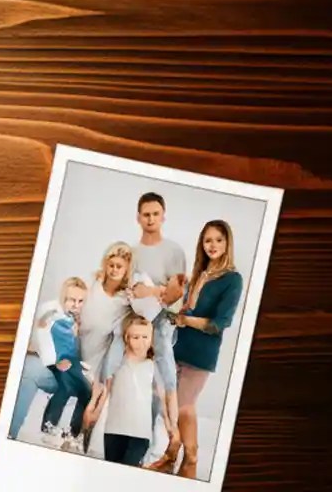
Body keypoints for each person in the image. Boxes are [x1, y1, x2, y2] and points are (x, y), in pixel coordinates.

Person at [172, 220, 243, 479]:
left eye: (218, 240)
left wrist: (186, 320)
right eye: (207, 240)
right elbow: (189, 311)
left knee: (183, 405)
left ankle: (190, 459)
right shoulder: (199, 273)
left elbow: (220, 324)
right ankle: (172, 454)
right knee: (171, 405)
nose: (212, 245)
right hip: (178, 345)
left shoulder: (232, 279)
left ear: (227, 244)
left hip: (201, 351)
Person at [129, 192, 188, 470]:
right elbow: (130, 292)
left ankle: (172, 438)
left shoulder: (174, 250)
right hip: (139, 325)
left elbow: (177, 292)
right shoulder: (132, 252)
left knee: (166, 381)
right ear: (138, 217)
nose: (151, 218)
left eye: (155, 213)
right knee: (146, 387)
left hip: (163, 325)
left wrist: (152, 291)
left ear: (163, 215)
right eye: (146, 214)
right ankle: (151, 449)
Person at [77, 242, 134, 441]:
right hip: (78, 341)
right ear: (105, 264)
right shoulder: (93, 283)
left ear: (126, 269)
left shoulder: (125, 299)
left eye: (120, 266)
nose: (114, 269)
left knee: (92, 395)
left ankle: (82, 438)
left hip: (99, 353)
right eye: (111, 265)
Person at [36, 277, 92, 446]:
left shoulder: (76, 318)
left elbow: (76, 344)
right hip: (58, 361)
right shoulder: (52, 314)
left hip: (73, 360)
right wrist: (53, 363)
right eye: (72, 300)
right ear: (63, 298)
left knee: (86, 391)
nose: (76, 304)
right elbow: (42, 338)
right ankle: (49, 426)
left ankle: (73, 432)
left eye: (80, 301)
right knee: (65, 387)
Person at [103, 315, 157, 466]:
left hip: (140, 433)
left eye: (145, 337)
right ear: (127, 338)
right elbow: (105, 388)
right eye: (135, 337)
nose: (141, 342)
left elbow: (163, 397)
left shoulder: (154, 365)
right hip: (114, 429)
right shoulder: (117, 362)